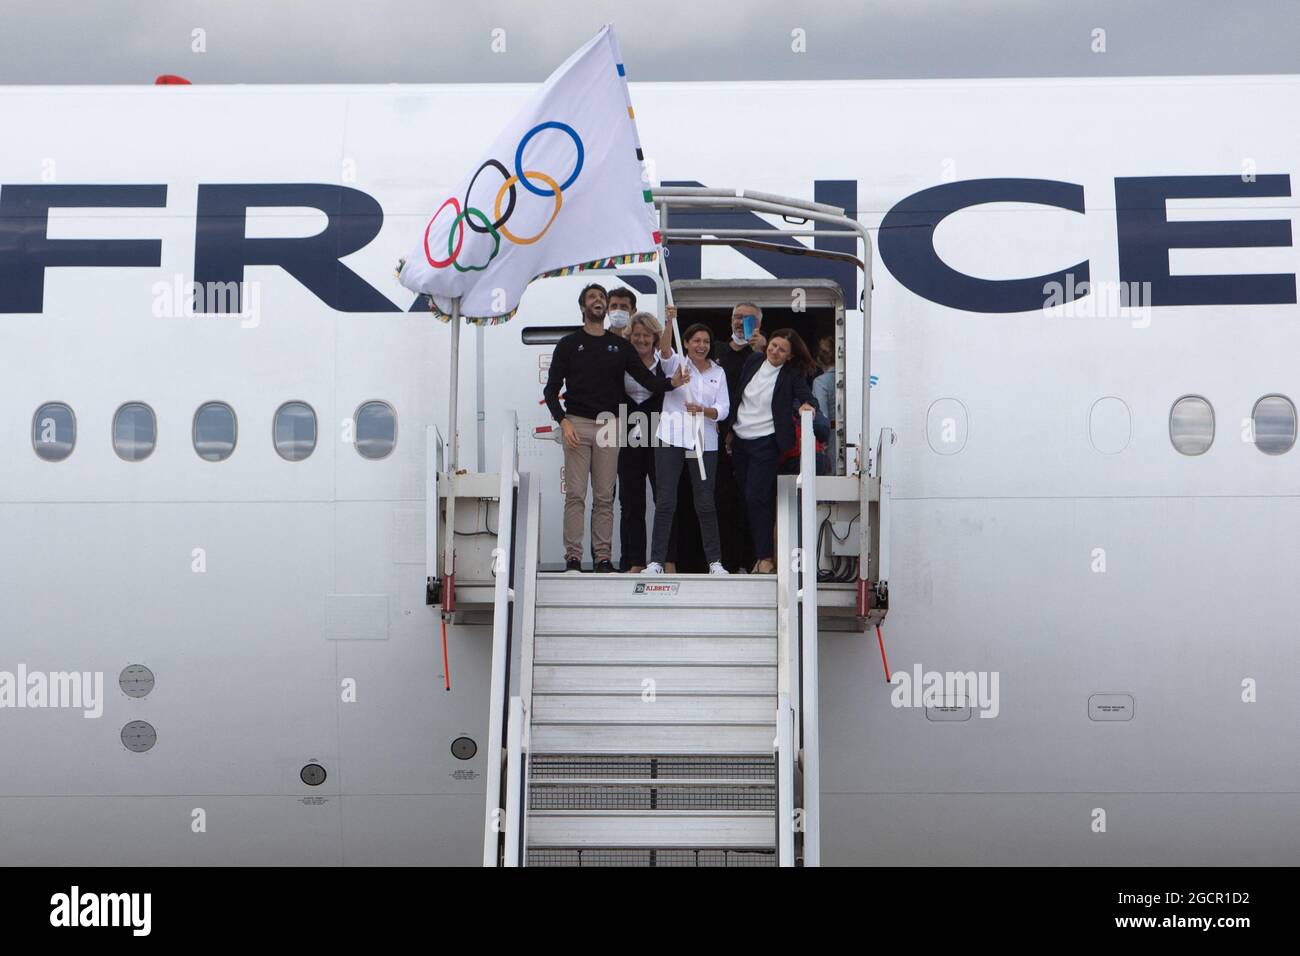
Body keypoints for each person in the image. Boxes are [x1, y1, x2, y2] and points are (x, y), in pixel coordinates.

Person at [543, 283, 688, 573]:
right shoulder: (568, 344)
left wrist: (671, 383)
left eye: (601, 297)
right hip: (578, 423)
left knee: (605, 496)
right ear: (584, 306)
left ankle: (603, 558)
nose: (598, 301)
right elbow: (551, 390)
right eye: (592, 298)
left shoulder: (621, 346)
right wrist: (563, 420)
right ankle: (573, 557)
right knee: (575, 494)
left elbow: (647, 379)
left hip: (611, 425)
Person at [724, 328, 819, 574]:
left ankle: (765, 558)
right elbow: (738, 396)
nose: (775, 351)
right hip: (741, 440)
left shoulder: (792, 374)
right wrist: (730, 431)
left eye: (782, 350)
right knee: (744, 500)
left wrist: (808, 406)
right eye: (774, 345)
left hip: (766, 443)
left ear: (789, 356)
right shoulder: (754, 360)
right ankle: (752, 557)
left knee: (758, 498)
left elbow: (809, 398)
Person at [645, 318, 730, 576]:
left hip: (703, 439)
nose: (701, 345)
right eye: (696, 341)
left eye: (705, 341)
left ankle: (715, 562)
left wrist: (705, 410)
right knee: (666, 500)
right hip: (671, 436)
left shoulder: (718, 372)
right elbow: (664, 351)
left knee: (705, 502)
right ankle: (656, 562)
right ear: (686, 343)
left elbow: (724, 409)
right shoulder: (677, 363)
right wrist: (669, 321)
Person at [712, 302, 767, 572]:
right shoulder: (716, 351)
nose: (738, 323)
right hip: (716, 437)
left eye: (746, 319)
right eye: (735, 317)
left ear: (757, 324)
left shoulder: (764, 354)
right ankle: (724, 562)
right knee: (721, 501)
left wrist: (763, 352)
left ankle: (753, 560)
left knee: (751, 499)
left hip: (751, 437)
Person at [617, 309, 667, 572]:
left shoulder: (666, 363)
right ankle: (633, 561)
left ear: (655, 337)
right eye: (636, 335)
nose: (641, 340)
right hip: (628, 433)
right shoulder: (621, 362)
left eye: (646, 335)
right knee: (631, 500)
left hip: (659, 434)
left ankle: (664, 560)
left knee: (664, 498)